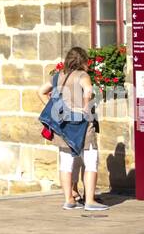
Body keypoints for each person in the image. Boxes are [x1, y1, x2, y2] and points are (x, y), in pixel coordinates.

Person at [38, 46, 104, 211]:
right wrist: (84, 107)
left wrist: (55, 109)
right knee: (90, 161)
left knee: (66, 163)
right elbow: (88, 92)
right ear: (83, 61)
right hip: (81, 124)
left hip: (62, 125)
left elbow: (41, 92)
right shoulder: (83, 76)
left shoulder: (57, 76)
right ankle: (90, 201)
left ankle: (69, 199)